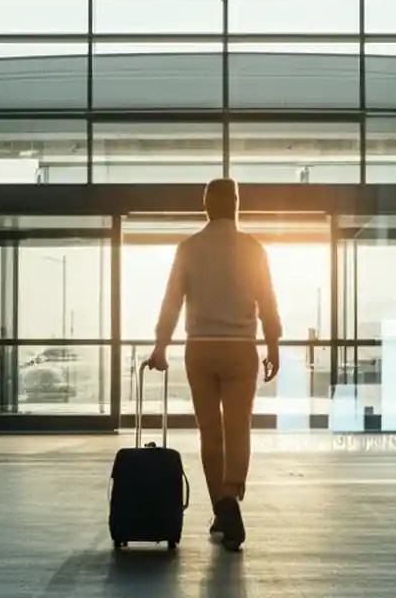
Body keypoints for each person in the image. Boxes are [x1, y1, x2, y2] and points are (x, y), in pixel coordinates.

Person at [143, 178, 281, 551]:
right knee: (238, 427)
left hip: (200, 349)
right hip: (240, 348)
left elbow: (172, 301)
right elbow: (267, 301)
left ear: (206, 205)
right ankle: (231, 496)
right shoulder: (253, 248)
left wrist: (160, 346)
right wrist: (273, 344)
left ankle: (221, 505)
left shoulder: (189, 248)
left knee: (210, 430)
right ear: (236, 204)